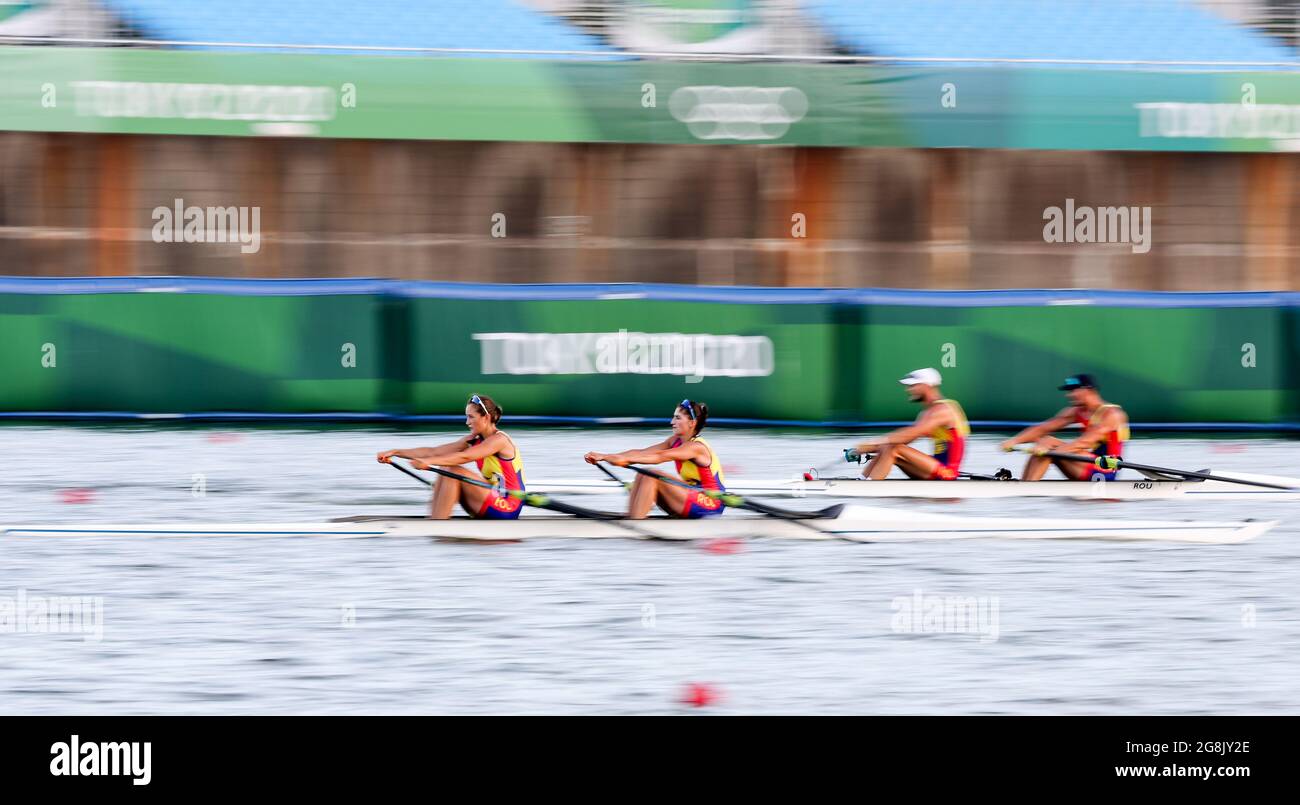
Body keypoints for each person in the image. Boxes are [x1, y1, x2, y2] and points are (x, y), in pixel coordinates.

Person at [376, 393, 524, 519]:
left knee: (453, 470)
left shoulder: (499, 440)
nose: (467, 422)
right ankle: (435, 520)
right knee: (446, 466)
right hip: (489, 500)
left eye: (471, 417)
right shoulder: (473, 440)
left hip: (508, 505)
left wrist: (428, 462)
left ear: (485, 417)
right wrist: (396, 452)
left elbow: (465, 457)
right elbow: (433, 452)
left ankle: (436, 525)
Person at [584, 399, 726, 519]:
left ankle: (634, 524)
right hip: (692, 496)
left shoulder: (696, 447)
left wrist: (623, 460)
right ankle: (633, 518)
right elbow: (642, 452)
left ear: (692, 423)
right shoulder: (674, 441)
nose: (672, 422)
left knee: (651, 475)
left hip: (710, 503)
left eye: (677, 418)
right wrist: (606, 456)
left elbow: (660, 456)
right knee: (642, 474)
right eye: (673, 417)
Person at [999, 373, 1129, 481]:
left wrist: (1049, 449)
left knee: (1047, 443)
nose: (1068, 394)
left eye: (1073, 390)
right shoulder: (1075, 411)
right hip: (1087, 465)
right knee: (1045, 443)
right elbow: (1042, 428)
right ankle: (1025, 485)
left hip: (1105, 470)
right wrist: (1014, 441)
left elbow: (1085, 441)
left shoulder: (1112, 414)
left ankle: (1026, 489)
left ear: (1088, 390)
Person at [850, 368, 969, 480]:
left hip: (947, 472)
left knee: (893, 448)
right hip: (933, 467)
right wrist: (858, 450)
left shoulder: (943, 410)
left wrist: (871, 443)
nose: (908, 390)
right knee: (888, 447)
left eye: (912, 386)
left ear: (927, 386)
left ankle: (868, 486)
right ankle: (862, 480)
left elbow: (911, 434)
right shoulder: (926, 413)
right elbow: (903, 440)